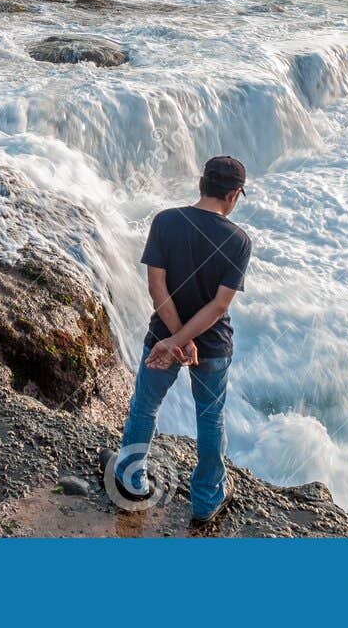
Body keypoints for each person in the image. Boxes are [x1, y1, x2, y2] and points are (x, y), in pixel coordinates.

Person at [105, 155, 252, 529]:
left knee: (145, 406)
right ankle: (206, 498)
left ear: (201, 182)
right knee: (210, 418)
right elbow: (219, 305)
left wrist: (173, 341)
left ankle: (129, 478)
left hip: (161, 338)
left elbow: (156, 288)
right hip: (213, 346)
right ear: (234, 196)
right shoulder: (238, 241)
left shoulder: (166, 221)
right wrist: (186, 342)